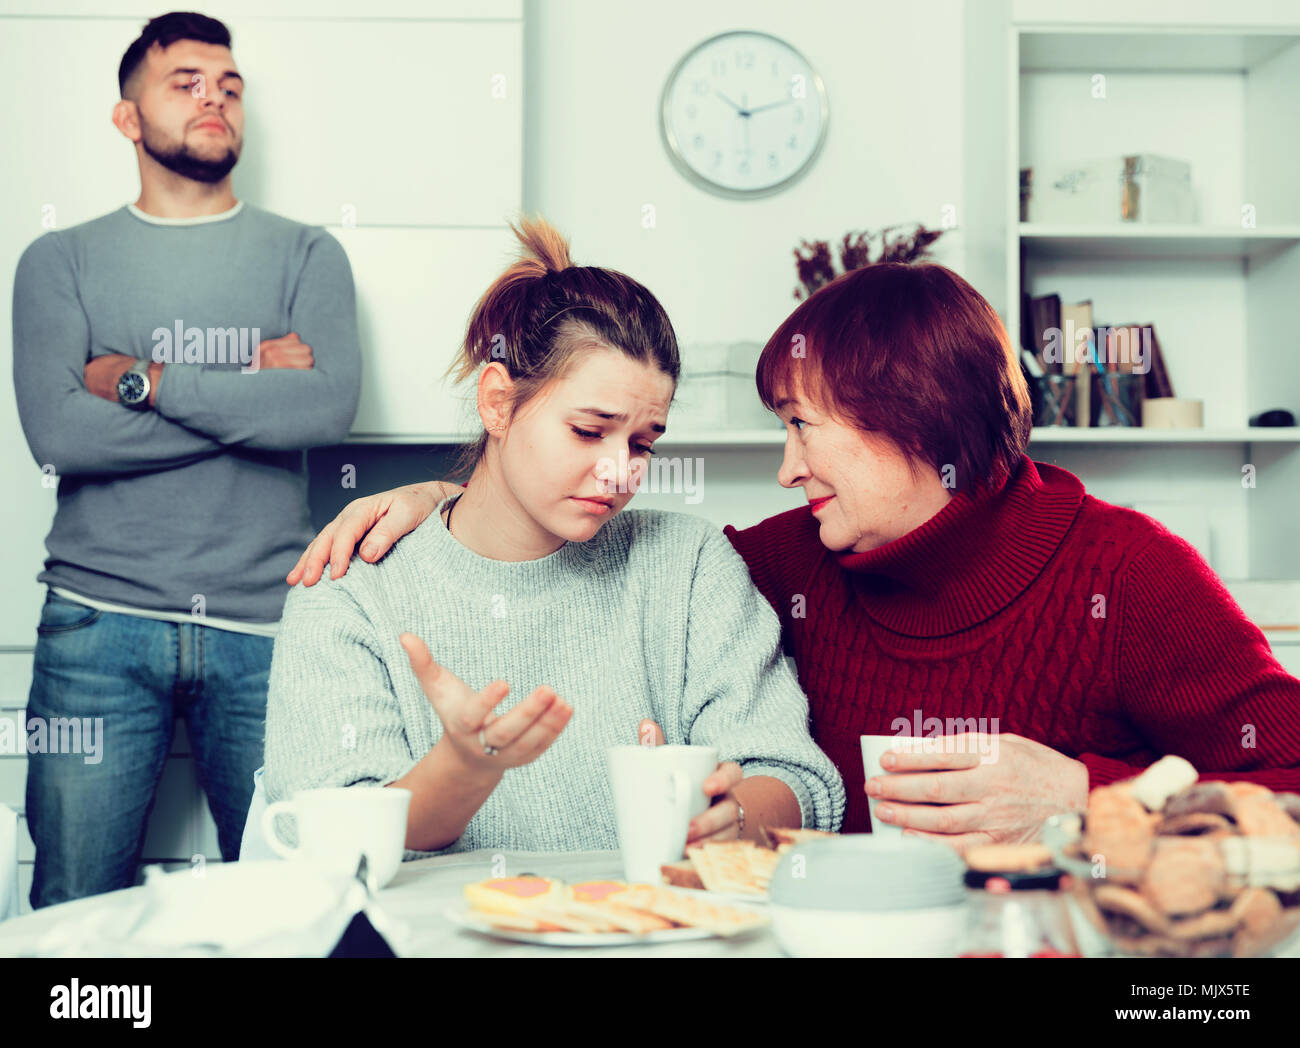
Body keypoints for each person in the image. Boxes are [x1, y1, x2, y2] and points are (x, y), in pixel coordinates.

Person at [287, 260, 1300, 853]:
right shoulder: (786, 560)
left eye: (802, 427)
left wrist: (1093, 799)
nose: (782, 469)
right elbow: (569, 552)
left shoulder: (1126, 575)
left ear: (910, 422)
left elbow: (1290, 780)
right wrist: (444, 496)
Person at [261, 217, 845, 857]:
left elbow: (790, 774)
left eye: (644, 443)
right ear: (497, 404)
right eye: (590, 432)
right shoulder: (353, 586)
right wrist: (467, 766)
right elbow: (325, 836)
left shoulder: (689, 565)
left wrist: (729, 817)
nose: (620, 471)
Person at [11, 12, 360, 906]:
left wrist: (143, 378)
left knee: (298, 908)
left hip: (270, 628)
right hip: (97, 622)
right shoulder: (59, 260)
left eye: (230, 86)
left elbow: (321, 408)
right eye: (187, 83)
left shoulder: (307, 253)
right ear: (127, 119)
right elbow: (60, 435)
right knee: (76, 911)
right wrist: (249, 389)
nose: (216, 98)